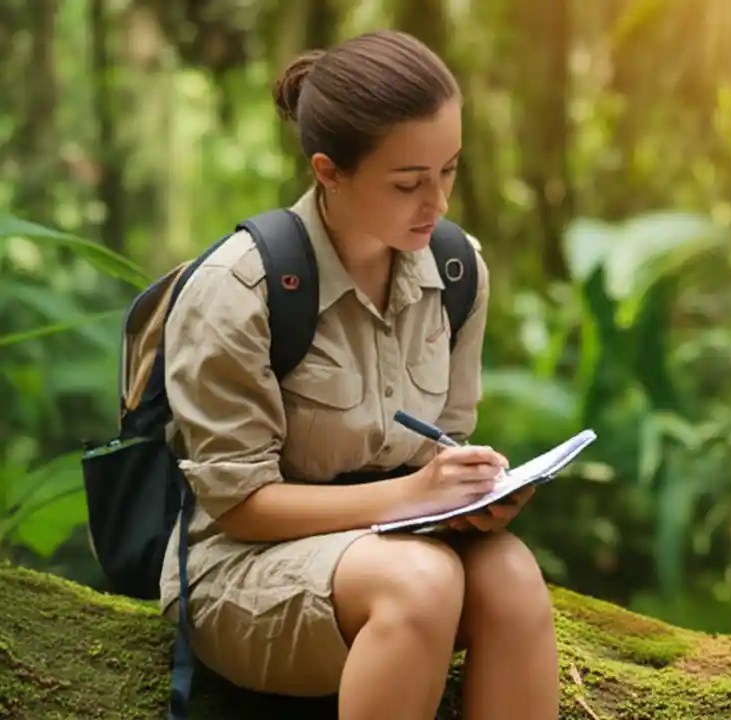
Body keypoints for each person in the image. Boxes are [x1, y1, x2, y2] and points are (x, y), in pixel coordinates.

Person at [157, 30, 560, 720]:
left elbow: (442, 445)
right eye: (408, 183)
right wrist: (412, 497)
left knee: (513, 576)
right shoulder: (240, 289)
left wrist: (472, 491)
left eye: (449, 171)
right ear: (329, 170)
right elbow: (242, 506)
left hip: (395, 545)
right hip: (243, 571)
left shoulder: (457, 272)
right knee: (422, 581)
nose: (437, 203)